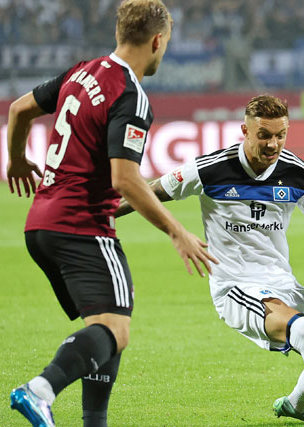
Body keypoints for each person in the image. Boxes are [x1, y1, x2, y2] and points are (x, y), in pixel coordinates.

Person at [115, 95, 304, 427]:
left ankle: (295, 406)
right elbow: (151, 190)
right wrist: (102, 213)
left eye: (281, 135)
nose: (274, 144)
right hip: (235, 285)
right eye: (265, 135)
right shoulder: (210, 168)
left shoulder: (299, 174)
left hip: (283, 282)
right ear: (245, 130)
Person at [6, 1, 216, 426]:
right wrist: (176, 230)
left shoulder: (80, 72)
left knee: (104, 327)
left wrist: (15, 160)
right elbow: (125, 179)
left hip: (40, 224)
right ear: (158, 41)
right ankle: (39, 390)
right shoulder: (130, 96)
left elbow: (18, 109)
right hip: (82, 226)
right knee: (115, 332)